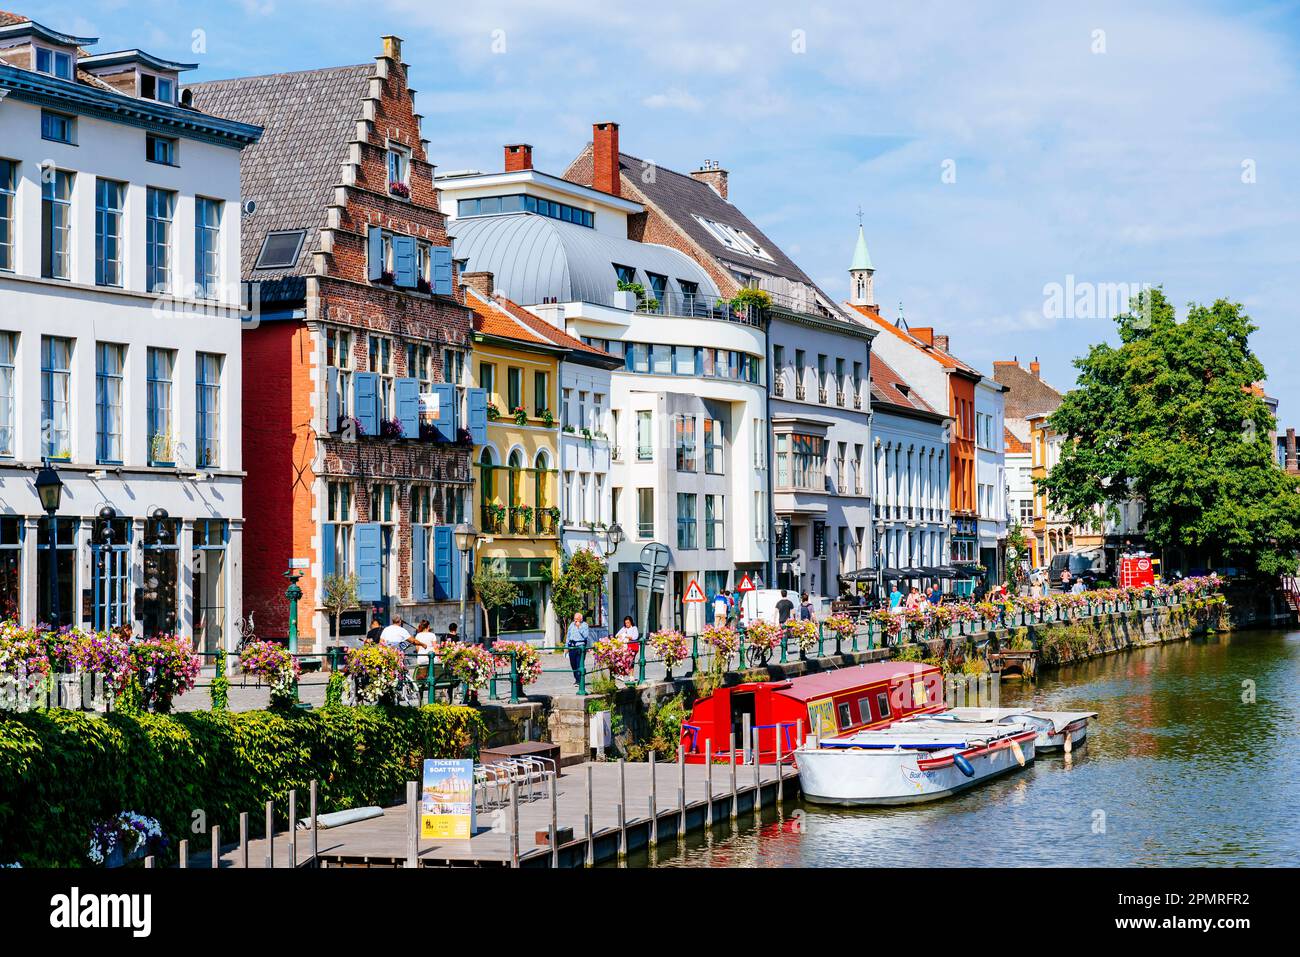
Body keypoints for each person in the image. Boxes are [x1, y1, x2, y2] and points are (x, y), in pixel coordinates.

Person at [565, 611, 590, 685]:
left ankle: (580, 681)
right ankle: (577, 679)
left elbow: (586, 636)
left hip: (580, 646)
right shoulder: (571, 625)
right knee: (573, 664)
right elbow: (568, 636)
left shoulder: (585, 625)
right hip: (572, 646)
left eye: (577, 619)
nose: (575, 620)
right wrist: (566, 646)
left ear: (581, 619)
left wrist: (579, 627)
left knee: (579, 664)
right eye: (574, 618)